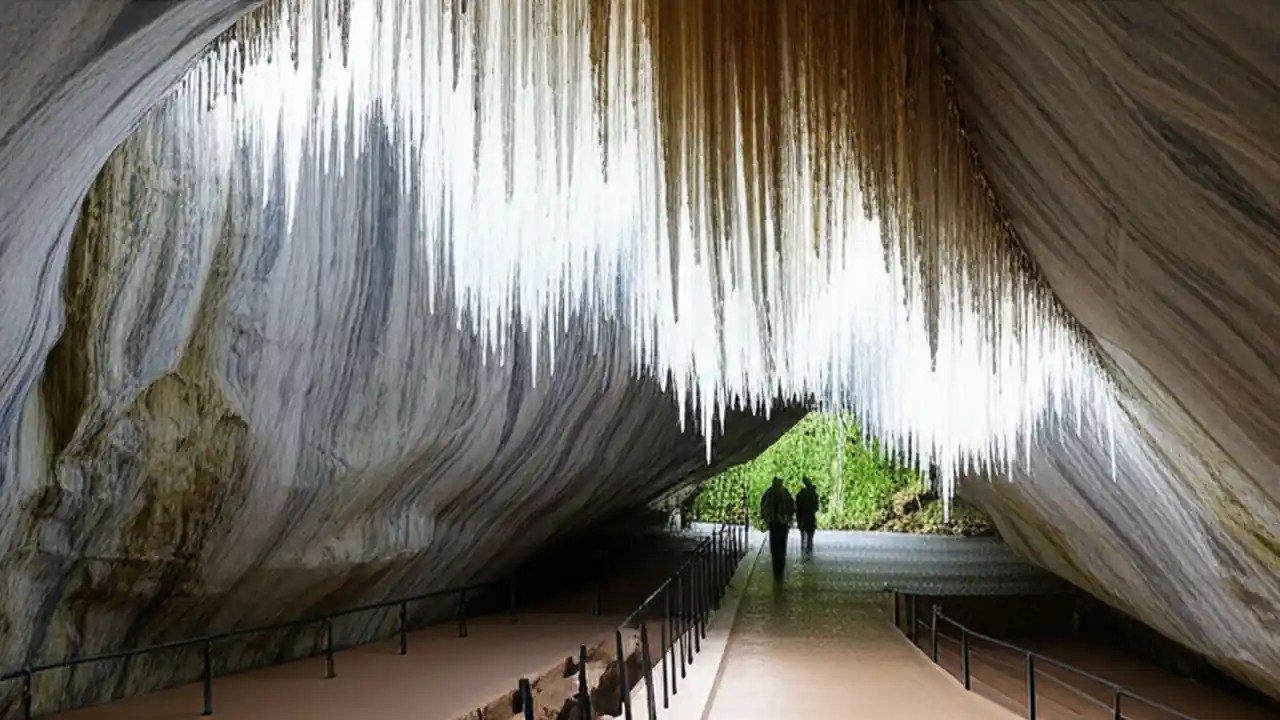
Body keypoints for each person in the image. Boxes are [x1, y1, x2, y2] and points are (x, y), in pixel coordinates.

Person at [760, 477, 795, 579]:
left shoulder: (769, 492)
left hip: (773, 523)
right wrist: (788, 517)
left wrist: (765, 517)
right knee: (782, 544)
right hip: (783, 522)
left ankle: (776, 565)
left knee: (774, 544)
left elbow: (763, 505)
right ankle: (781, 564)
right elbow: (792, 506)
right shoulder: (785, 492)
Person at [795, 477, 818, 554]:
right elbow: (816, 506)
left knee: (803, 532)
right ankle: (809, 547)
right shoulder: (813, 494)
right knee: (810, 533)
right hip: (810, 515)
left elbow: (797, 505)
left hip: (802, 516)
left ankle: (803, 547)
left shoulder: (801, 493)